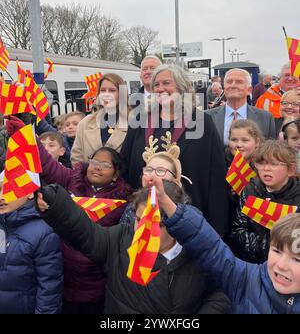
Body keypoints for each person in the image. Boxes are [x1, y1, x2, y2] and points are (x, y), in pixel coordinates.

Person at [35, 181, 231, 314]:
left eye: (154, 222)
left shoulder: (199, 249)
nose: (141, 229)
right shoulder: (119, 238)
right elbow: (84, 232)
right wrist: (55, 203)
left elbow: (221, 294)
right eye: (138, 219)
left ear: (175, 221)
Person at [5, 114, 132, 314]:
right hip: (63, 278)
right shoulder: (71, 179)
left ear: (116, 174)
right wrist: (24, 134)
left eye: (105, 165)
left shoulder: (124, 203)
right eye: (94, 161)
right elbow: (46, 164)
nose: (97, 167)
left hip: (96, 287)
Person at [147, 178, 300, 314]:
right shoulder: (247, 279)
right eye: (277, 251)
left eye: (297, 260)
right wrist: (167, 203)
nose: (281, 265)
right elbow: (210, 248)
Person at [121, 64, 229, 235]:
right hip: (143, 216)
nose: (160, 88)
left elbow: (216, 176)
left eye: (166, 83)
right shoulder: (140, 120)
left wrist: (218, 228)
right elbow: (125, 164)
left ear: (182, 87)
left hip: (188, 219)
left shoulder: (202, 121)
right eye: (156, 84)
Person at [229, 140, 300, 264]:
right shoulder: (250, 190)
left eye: (274, 163)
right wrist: (269, 247)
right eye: (261, 163)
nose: (266, 168)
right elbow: (238, 232)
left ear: (290, 169)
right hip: (252, 264)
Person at [0, 182, 63, 314]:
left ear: (30, 193)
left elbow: (49, 288)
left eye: (9, 190)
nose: (1, 196)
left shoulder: (44, 233)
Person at [206, 68, 276, 145]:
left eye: (239, 82)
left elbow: (269, 152)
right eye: (229, 82)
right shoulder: (206, 116)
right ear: (224, 87)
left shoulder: (266, 118)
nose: (232, 85)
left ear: (249, 90)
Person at [71, 73, 129, 165]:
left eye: (112, 90)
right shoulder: (85, 123)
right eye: (103, 90)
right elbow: (77, 157)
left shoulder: (132, 124)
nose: (106, 95)